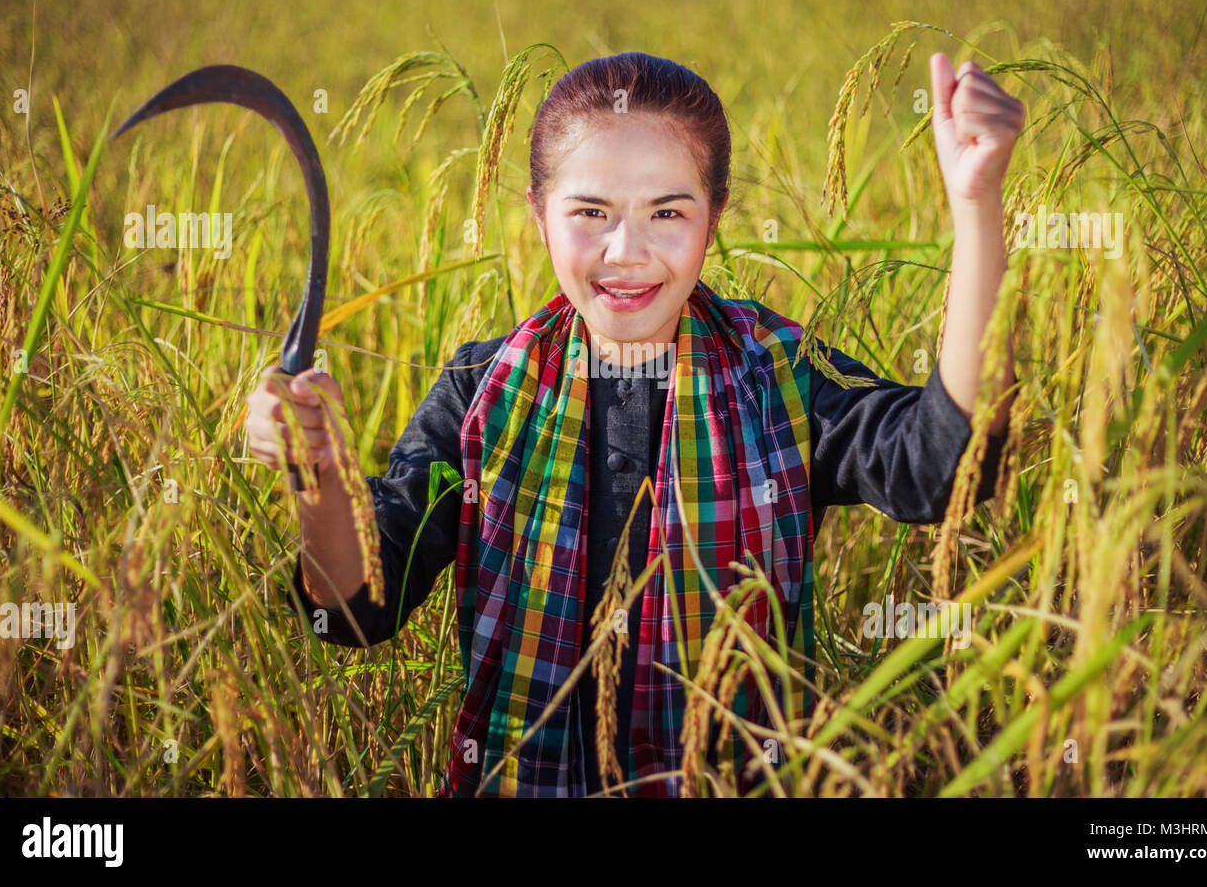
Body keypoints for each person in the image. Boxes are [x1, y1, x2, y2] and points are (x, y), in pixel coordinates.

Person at [244, 51, 1023, 797]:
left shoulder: (782, 376)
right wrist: (315, 470)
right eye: (590, 212)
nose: (627, 252)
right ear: (539, 216)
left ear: (714, 217)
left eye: (667, 212)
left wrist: (976, 207)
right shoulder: (480, 394)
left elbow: (943, 469)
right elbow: (352, 611)